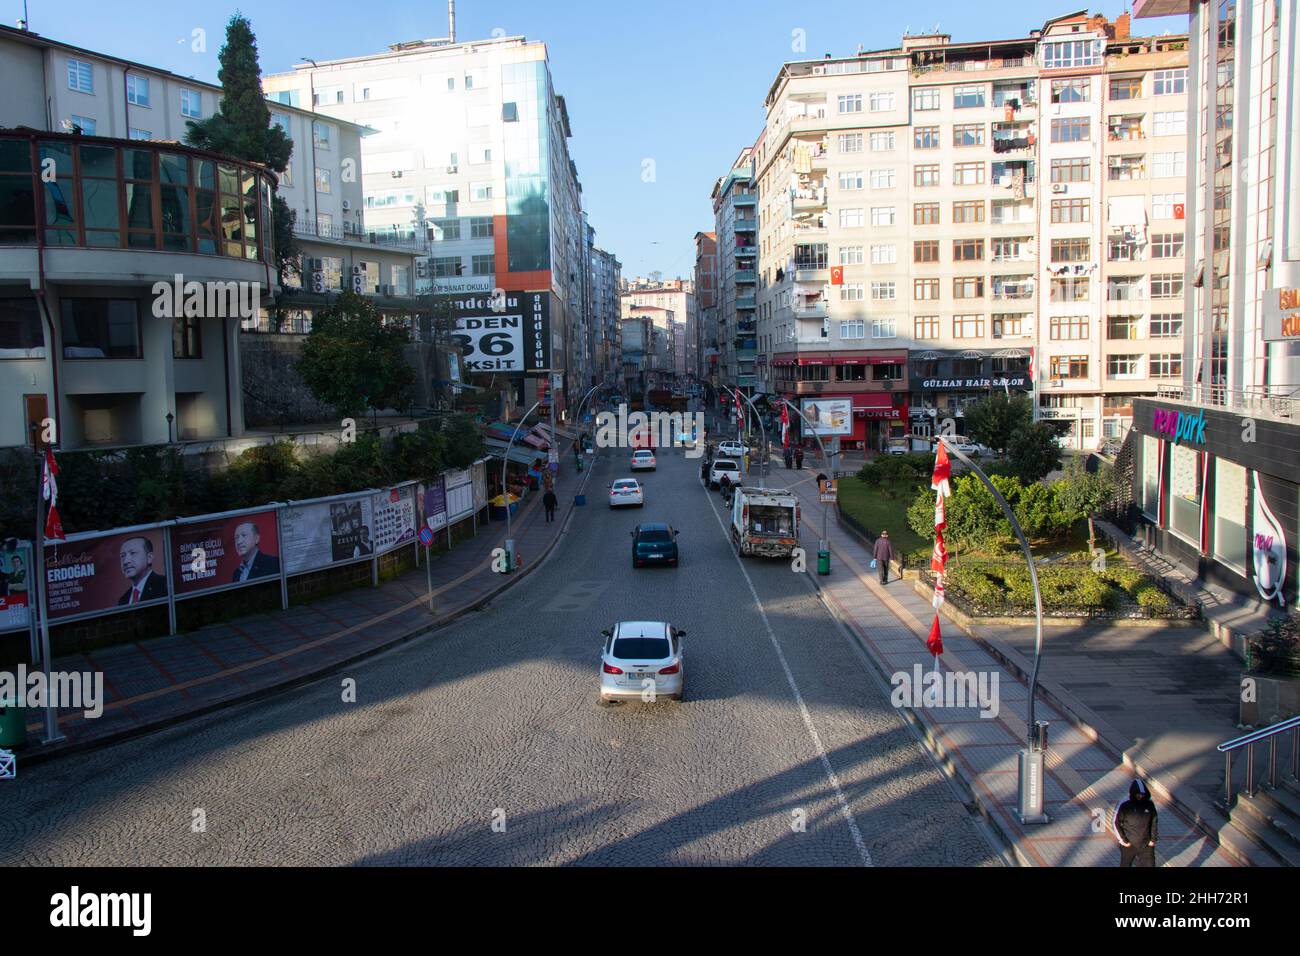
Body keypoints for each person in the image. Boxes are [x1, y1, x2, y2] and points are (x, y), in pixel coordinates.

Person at [1113, 779, 1159, 867]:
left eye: (1142, 794)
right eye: (1138, 794)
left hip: (1146, 845)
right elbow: (1116, 823)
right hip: (1129, 845)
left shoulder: (1149, 805)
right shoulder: (1125, 805)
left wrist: (1153, 839)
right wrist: (1124, 840)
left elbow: (1154, 821)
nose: (1140, 796)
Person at [117, 535, 168, 605]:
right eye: (123, 556)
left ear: (149, 557)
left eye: (133, 553)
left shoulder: (165, 585)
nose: (126, 561)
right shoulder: (123, 600)